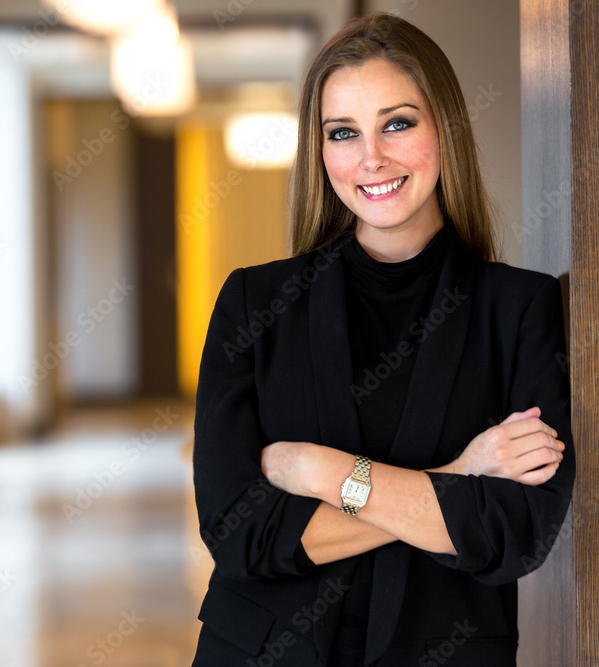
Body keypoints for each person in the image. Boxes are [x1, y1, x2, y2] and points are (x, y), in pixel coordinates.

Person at [190, 12, 575, 667]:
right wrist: (459, 474)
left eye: (397, 123)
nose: (371, 157)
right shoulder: (254, 303)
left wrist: (321, 472)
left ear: (445, 128)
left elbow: (514, 532)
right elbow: (240, 533)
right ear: (321, 151)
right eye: (343, 132)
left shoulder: (519, 309)